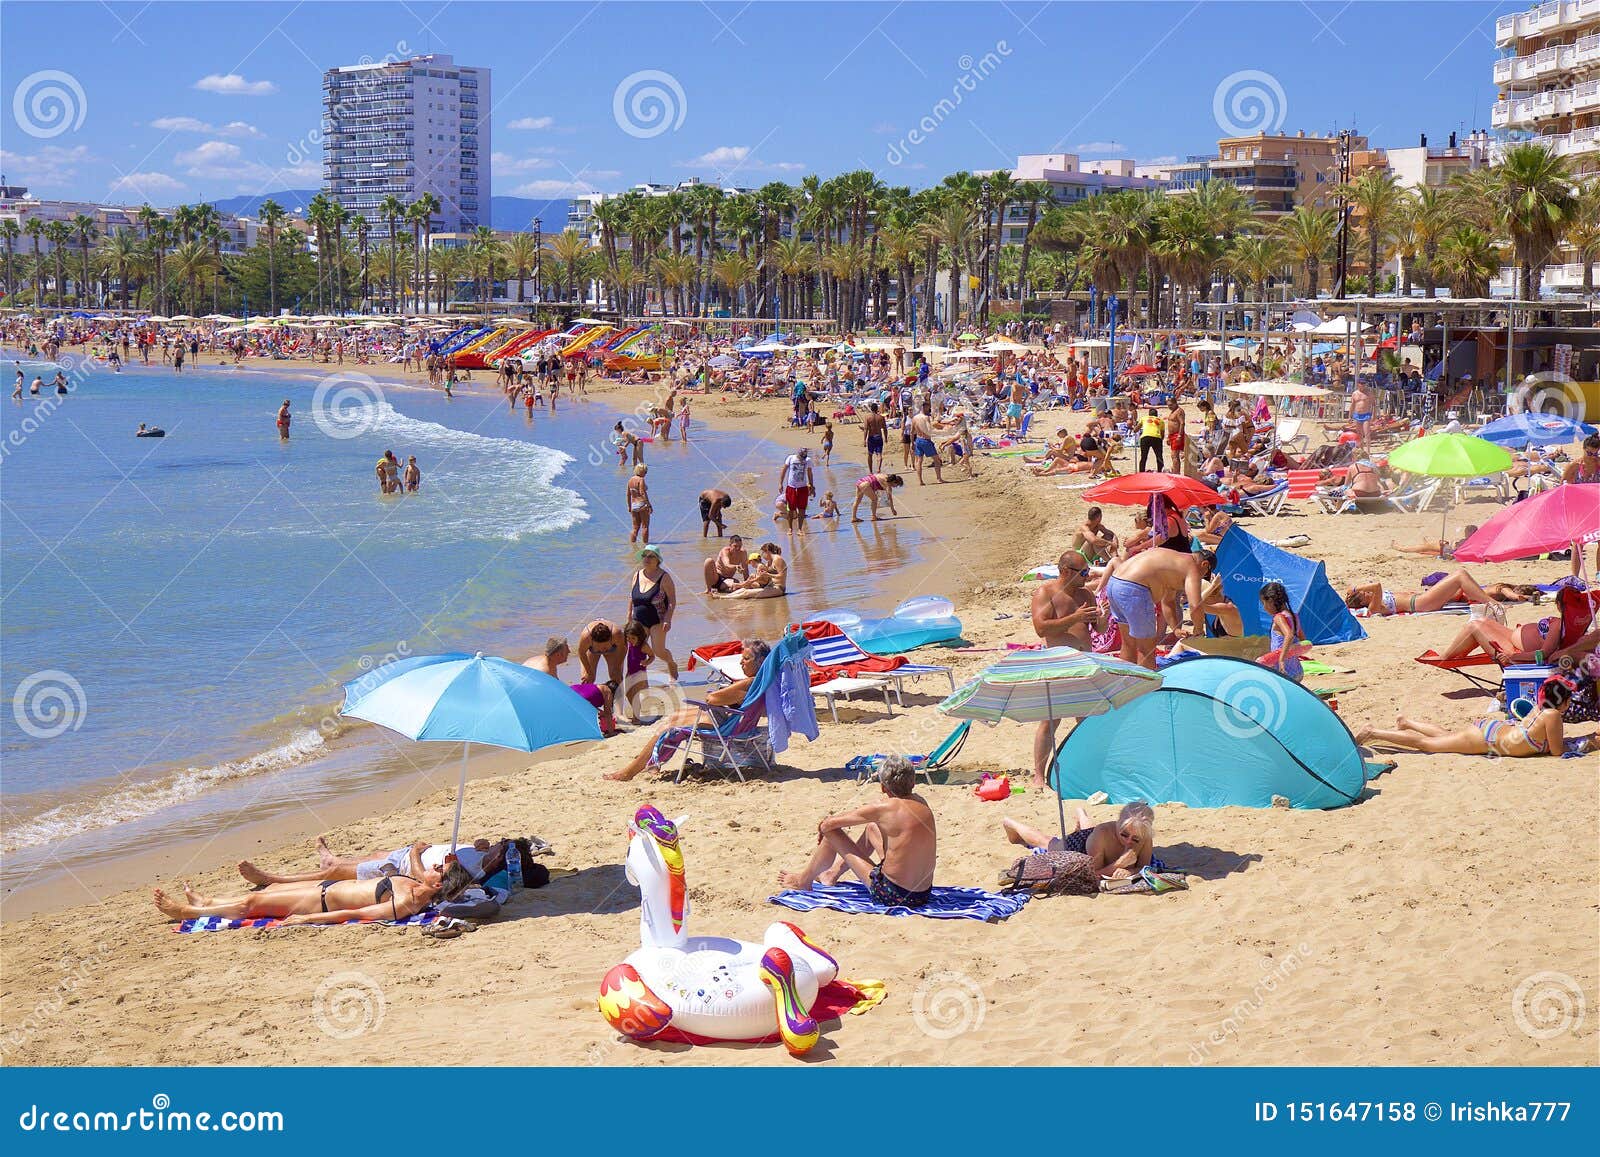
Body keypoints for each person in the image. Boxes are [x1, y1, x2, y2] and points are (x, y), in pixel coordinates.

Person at [777, 754, 937, 908]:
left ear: (883, 787)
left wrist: (823, 830)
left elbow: (828, 825)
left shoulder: (883, 808)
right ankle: (832, 874)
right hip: (922, 894)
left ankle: (804, 881)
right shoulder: (921, 802)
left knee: (831, 832)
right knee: (872, 827)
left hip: (894, 895)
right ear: (913, 783)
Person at [156, 847, 472, 925]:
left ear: (440, 883)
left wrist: (306, 919)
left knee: (252, 906)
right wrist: (417, 852)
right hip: (323, 888)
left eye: (439, 869)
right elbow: (420, 869)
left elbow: (358, 914)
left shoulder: (407, 903)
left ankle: (185, 912)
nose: (433, 866)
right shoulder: (416, 884)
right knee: (267, 893)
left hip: (319, 904)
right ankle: (208, 901)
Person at [605, 639, 769, 780]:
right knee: (675, 716)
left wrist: (720, 692)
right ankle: (652, 764)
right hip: (736, 723)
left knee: (667, 728)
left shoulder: (748, 683)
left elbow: (711, 699)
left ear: (759, 662)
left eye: (746, 659)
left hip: (725, 727)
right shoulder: (761, 682)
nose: (741, 662)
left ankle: (629, 772)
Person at [1356, 684, 1592, 759]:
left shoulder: (1542, 710)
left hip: (1491, 731)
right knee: (1427, 746)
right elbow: (1556, 752)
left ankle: (1406, 722)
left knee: (1446, 735)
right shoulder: (1553, 716)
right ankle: (1375, 732)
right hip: (1487, 740)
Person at [1030, 549, 1099, 786]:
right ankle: (1039, 775)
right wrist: (1074, 617)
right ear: (1064, 571)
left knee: (1087, 718)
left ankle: (1087, 765)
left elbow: (1097, 629)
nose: (1087, 577)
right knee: (1051, 719)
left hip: (1084, 664)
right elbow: (1041, 628)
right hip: (1058, 663)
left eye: (1088, 572)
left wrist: (1102, 617)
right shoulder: (1045, 592)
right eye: (1083, 572)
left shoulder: (1086, 594)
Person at [1099, 546, 1217, 668]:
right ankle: (1146, 686)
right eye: (1204, 575)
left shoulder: (1174, 561)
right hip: (1134, 589)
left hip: (1115, 583)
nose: (1201, 577)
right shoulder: (1192, 567)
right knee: (1147, 649)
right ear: (1204, 564)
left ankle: (1125, 682)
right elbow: (1195, 605)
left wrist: (1175, 628)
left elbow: (1168, 602)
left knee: (1128, 644)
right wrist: (1198, 629)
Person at [1001, 800, 1155, 880]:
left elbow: (1144, 868)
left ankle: (1082, 816)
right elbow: (1093, 875)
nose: (1128, 842)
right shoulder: (1103, 833)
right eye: (1124, 835)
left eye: (1135, 839)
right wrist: (1119, 864)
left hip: (1093, 838)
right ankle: (1011, 823)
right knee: (1048, 843)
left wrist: (1129, 871)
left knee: (1090, 831)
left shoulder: (1144, 835)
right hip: (1081, 846)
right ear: (1117, 823)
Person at [526, 635, 615, 726]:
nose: (569, 651)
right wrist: (595, 711)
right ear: (558, 654)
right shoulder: (546, 671)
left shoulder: (537, 660)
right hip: (531, 704)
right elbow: (561, 698)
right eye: (567, 650)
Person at [1344, 569, 1513, 616]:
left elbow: (1350, 591)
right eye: (1364, 594)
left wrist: (1351, 594)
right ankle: (1492, 604)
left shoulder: (1373, 600)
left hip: (1423, 598)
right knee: (1460, 575)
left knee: (1461, 585)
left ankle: (1497, 595)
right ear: (1363, 601)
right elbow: (1377, 584)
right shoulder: (1374, 607)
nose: (1367, 592)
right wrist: (1357, 590)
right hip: (1422, 604)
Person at [629, 546, 678, 679]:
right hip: (639, 620)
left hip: (658, 620)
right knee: (637, 650)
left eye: (651, 556)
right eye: (645, 556)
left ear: (658, 560)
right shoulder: (637, 575)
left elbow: (672, 600)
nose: (647, 559)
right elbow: (631, 598)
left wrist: (668, 618)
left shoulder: (664, 577)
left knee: (659, 651)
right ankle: (639, 680)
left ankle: (671, 663)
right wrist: (628, 619)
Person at [1260, 581, 1304, 682]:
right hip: (1297, 670)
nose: (1264, 608)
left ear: (1270, 600)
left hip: (1284, 671)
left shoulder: (1279, 617)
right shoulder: (1294, 616)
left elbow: (1289, 635)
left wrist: (1281, 659)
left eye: (1264, 603)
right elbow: (1303, 639)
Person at [715, 541, 787, 599]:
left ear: (767, 551)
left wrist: (767, 575)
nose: (762, 556)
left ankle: (722, 597)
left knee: (747, 593)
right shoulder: (769, 562)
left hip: (778, 588)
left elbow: (782, 576)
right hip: (769, 586)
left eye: (763, 553)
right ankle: (725, 596)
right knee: (744, 590)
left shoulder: (777, 559)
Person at [620, 619, 656, 723]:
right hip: (630, 672)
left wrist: (647, 662)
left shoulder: (644, 646)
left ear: (639, 636)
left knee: (635, 695)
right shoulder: (630, 644)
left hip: (640, 675)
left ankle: (637, 717)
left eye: (633, 638)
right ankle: (637, 712)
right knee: (627, 693)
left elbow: (652, 656)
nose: (630, 640)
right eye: (628, 638)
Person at [577, 619, 626, 693]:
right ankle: (586, 702)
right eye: (599, 648)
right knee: (587, 679)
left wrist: (618, 666)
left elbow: (623, 649)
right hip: (592, 652)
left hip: (612, 651)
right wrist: (589, 672)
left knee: (616, 676)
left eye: (605, 648)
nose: (602, 651)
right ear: (592, 641)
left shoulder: (616, 634)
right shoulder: (586, 637)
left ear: (610, 639)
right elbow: (581, 652)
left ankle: (617, 702)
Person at [779, 447, 815, 531]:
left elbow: (810, 473)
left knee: (802, 509)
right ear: (798, 455)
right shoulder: (791, 458)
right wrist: (780, 483)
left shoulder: (808, 460)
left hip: (802, 488)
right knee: (791, 509)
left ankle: (800, 529)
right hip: (791, 487)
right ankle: (790, 528)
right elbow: (783, 470)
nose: (803, 459)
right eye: (801, 457)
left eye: (804, 458)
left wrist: (812, 486)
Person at [1390, 527, 1478, 560]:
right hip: (1448, 548)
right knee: (1428, 547)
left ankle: (1402, 548)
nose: (1465, 532)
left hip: (1448, 549)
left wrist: (1449, 546)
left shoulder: (1469, 542)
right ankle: (1428, 545)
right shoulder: (1472, 541)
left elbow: (1457, 551)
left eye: (1468, 530)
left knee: (1425, 547)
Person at [910, 400, 944, 485]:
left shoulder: (914, 418)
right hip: (926, 440)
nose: (929, 408)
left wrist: (912, 443)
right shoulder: (926, 418)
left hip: (918, 440)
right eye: (928, 407)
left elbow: (911, 432)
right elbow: (929, 430)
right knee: (937, 460)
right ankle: (939, 479)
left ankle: (920, 481)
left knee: (919, 461)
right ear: (924, 407)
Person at [626, 464, 652, 544]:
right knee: (645, 526)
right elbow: (642, 492)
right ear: (642, 471)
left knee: (635, 528)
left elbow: (628, 494)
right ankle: (645, 545)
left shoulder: (630, 480)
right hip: (642, 504)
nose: (646, 473)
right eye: (645, 471)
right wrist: (649, 504)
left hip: (634, 505)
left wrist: (629, 507)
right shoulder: (641, 479)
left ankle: (633, 545)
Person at [862, 402, 887, 473]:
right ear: (877, 409)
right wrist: (886, 438)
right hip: (879, 437)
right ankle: (878, 469)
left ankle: (870, 472)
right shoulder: (881, 417)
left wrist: (864, 440)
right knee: (879, 454)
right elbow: (885, 428)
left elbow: (866, 429)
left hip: (871, 437)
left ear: (871, 409)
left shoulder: (867, 417)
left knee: (870, 454)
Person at [1138, 406, 1165, 472]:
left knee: (1144, 456)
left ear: (1149, 414)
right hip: (1156, 437)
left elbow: (1137, 428)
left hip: (1145, 437)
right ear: (1157, 415)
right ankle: (1160, 471)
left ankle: (1141, 471)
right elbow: (1162, 433)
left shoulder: (1144, 418)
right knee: (1159, 456)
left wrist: (1135, 430)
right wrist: (1161, 440)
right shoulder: (1161, 421)